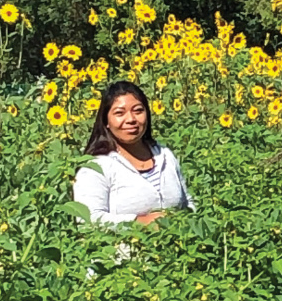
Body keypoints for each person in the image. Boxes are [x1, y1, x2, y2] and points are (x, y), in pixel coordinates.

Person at [73, 81, 194, 225]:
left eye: (138, 111)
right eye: (119, 113)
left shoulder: (165, 156)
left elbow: (188, 204)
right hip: (123, 246)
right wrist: (139, 222)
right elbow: (87, 220)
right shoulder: (95, 167)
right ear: (106, 121)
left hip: (178, 244)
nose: (131, 119)